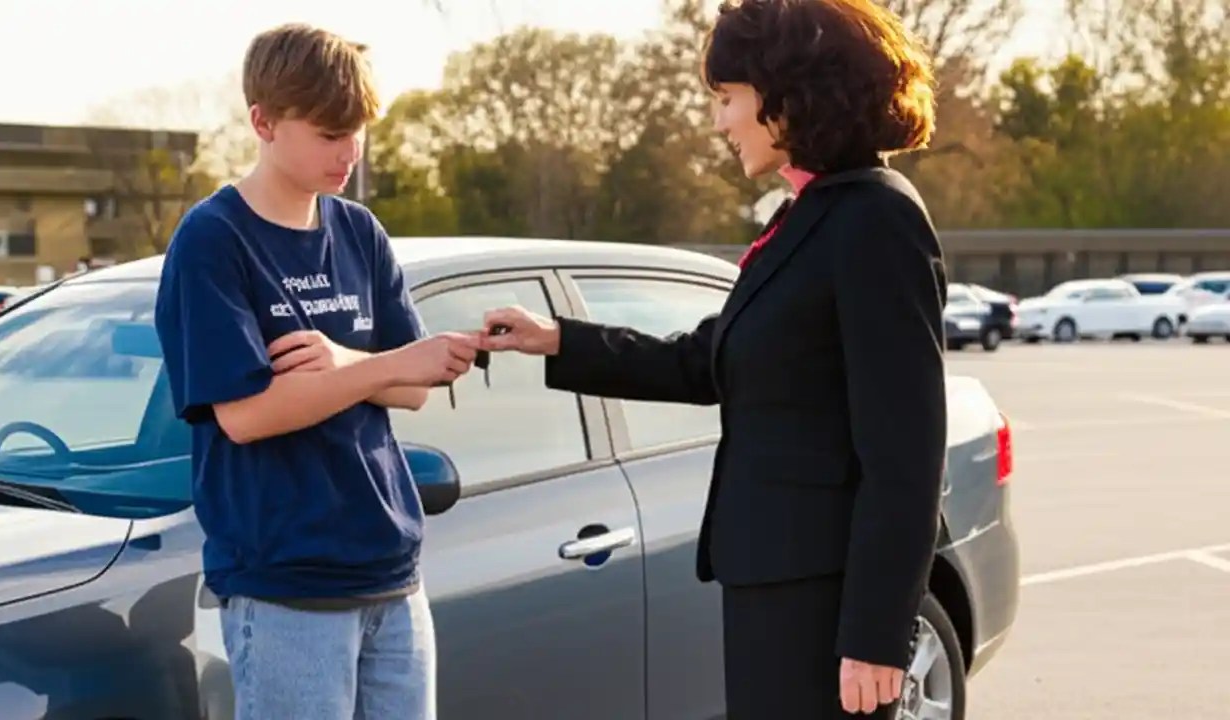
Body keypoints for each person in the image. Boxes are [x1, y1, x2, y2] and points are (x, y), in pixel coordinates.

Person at [480, 1, 945, 717]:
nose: (719, 121)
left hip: (821, 602)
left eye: (729, 99)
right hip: (770, 582)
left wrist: (877, 635)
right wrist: (559, 339)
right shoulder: (810, 213)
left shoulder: (876, 219)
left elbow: (907, 454)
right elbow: (709, 362)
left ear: (790, 96)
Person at [153, 23, 478, 720]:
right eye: (329, 132)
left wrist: (347, 362)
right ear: (263, 122)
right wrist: (376, 368)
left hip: (393, 574)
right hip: (285, 587)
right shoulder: (214, 241)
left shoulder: (359, 231)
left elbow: (415, 386)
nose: (348, 151)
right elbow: (245, 416)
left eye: (356, 130)